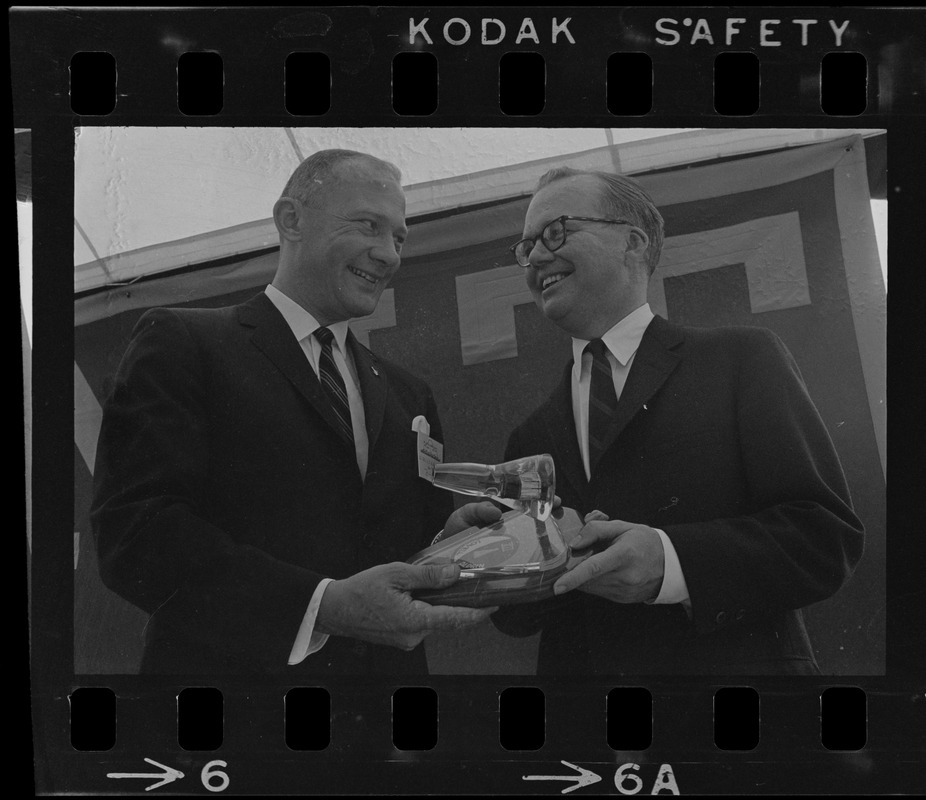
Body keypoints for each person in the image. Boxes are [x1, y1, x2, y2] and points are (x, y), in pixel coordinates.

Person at [90, 149, 499, 676]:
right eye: (368, 225)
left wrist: (450, 540)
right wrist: (322, 607)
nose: (389, 254)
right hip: (233, 713)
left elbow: (398, 538)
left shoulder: (408, 392)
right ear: (291, 219)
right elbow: (135, 534)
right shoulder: (183, 341)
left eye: (399, 237)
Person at [491, 167, 864, 675]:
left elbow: (823, 538)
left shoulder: (741, 361)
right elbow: (515, 620)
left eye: (555, 232)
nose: (534, 257)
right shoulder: (530, 436)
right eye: (526, 245)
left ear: (633, 242)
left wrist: (671, 562)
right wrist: (495, 560)